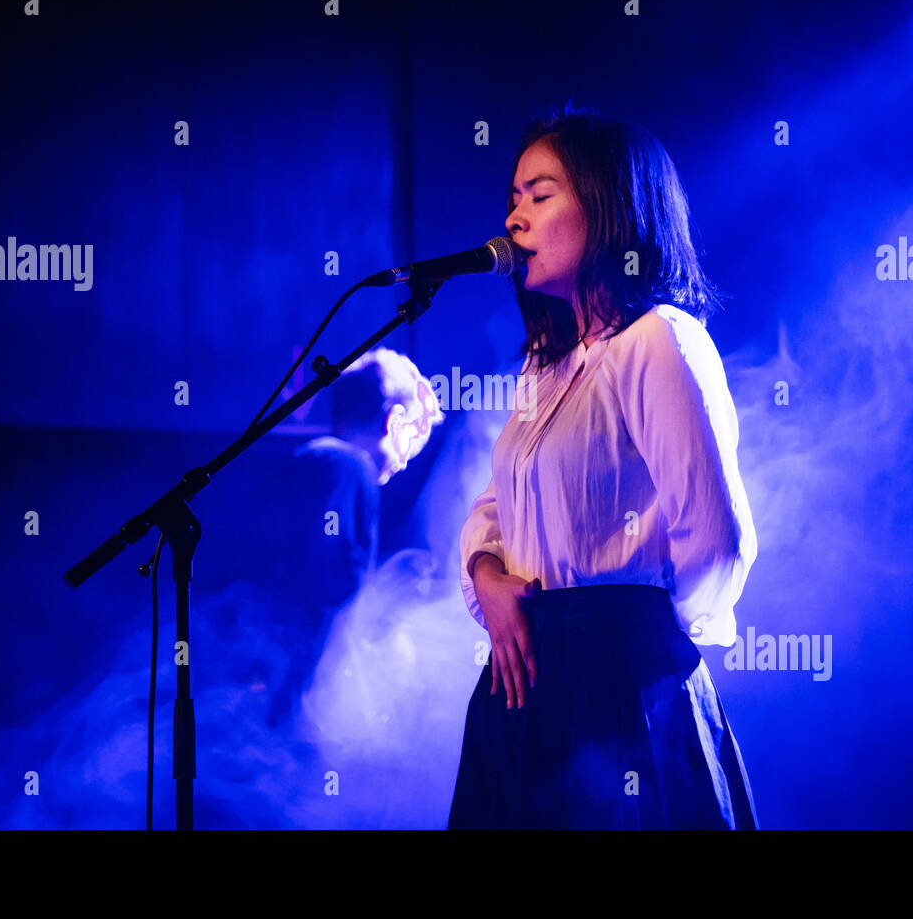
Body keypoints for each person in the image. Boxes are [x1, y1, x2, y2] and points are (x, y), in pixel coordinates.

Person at [448, 105, 760, 829]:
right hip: (523, 679)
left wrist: (636, 634)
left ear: (610, 207)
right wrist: (487, 580)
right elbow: (492, 511)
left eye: (541, 193)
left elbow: (716, 536)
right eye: (513, 198)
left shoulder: (657, 340)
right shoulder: (545, 367)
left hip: (620, 676)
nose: (515, 217)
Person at [261, 347, 443, 729]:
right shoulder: (347, 465)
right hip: (291, 676)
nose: (409, 460)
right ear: (393, 421)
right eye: (415, 435)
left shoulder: (318, 462)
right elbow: (324, 580)